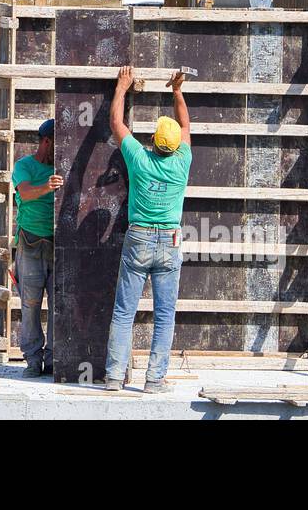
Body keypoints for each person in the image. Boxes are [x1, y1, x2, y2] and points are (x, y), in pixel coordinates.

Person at [104, 67, 193, 392]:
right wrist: (177, 91)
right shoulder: (182, 160)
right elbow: (184, 125)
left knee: (124, 311)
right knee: (164, 314)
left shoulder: (139, 158)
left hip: (138, 236)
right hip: (169, 240)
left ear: (154, 141)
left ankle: (114, 377)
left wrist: (121, 87)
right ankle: (154, 380)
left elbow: (116, 123)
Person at [11, 118, 63, 378]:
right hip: (30, 243)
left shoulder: (61, 165)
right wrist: (47, 187)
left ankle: (53, 358)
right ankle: (33, 359)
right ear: (46, 141)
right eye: (57, 142)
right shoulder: (24, 166)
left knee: (56, 304)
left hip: (56, 243)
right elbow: (26, 192)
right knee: (30, 304)